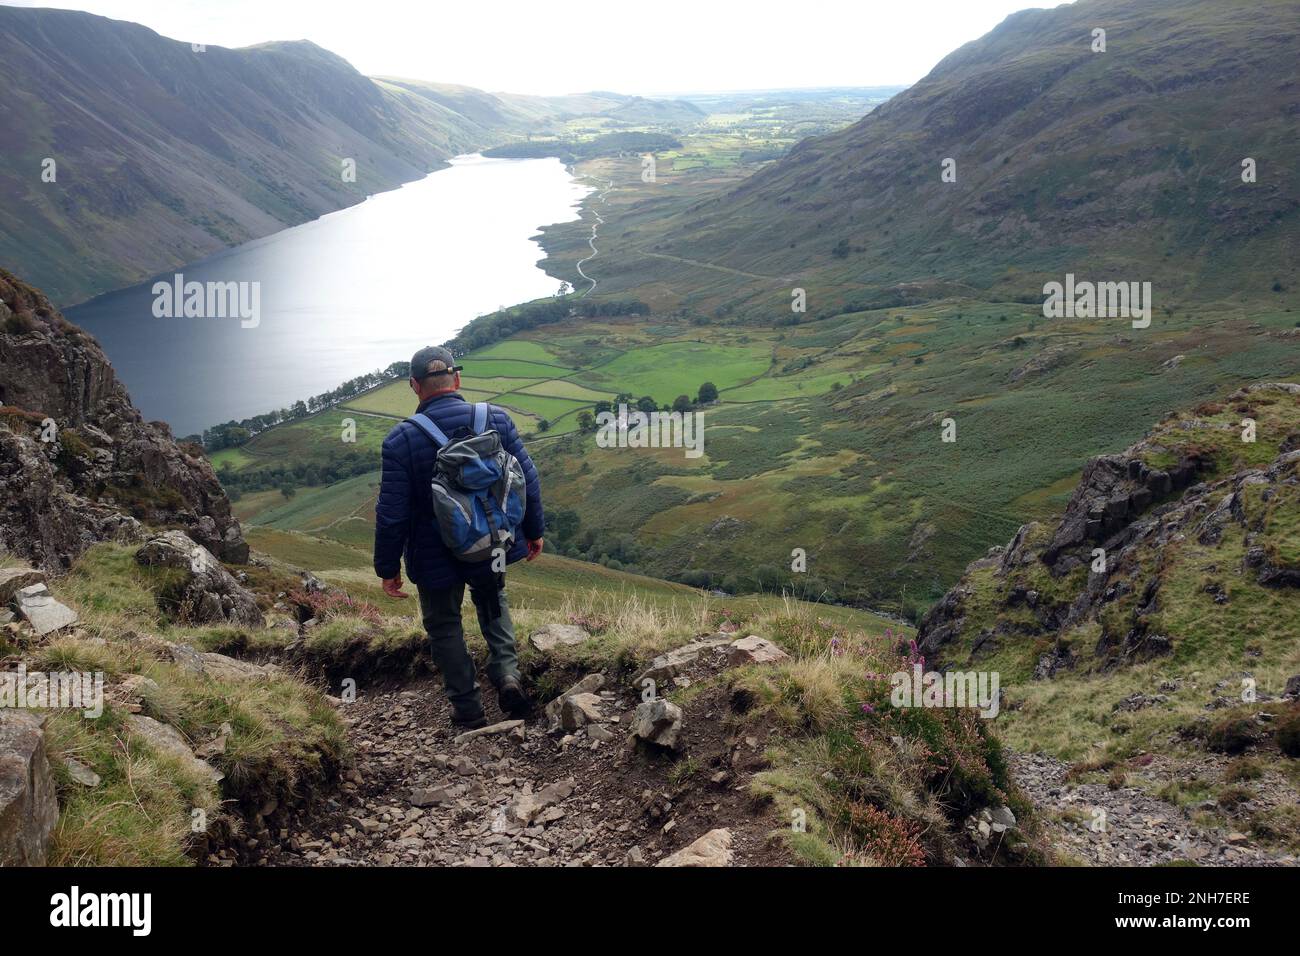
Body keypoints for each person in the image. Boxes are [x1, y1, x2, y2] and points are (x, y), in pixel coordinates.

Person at [374, 345, 544, 729]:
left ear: (415, 386)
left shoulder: (401, 440)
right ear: (458, 379)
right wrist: (533, 531)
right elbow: (527, 479)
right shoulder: (495, 419)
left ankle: (468, 710)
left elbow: (392, 514)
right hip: (492, 543)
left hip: (435, 555)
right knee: (492, 598)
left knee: (445, 625)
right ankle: (508, 676)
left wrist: (387, 567)